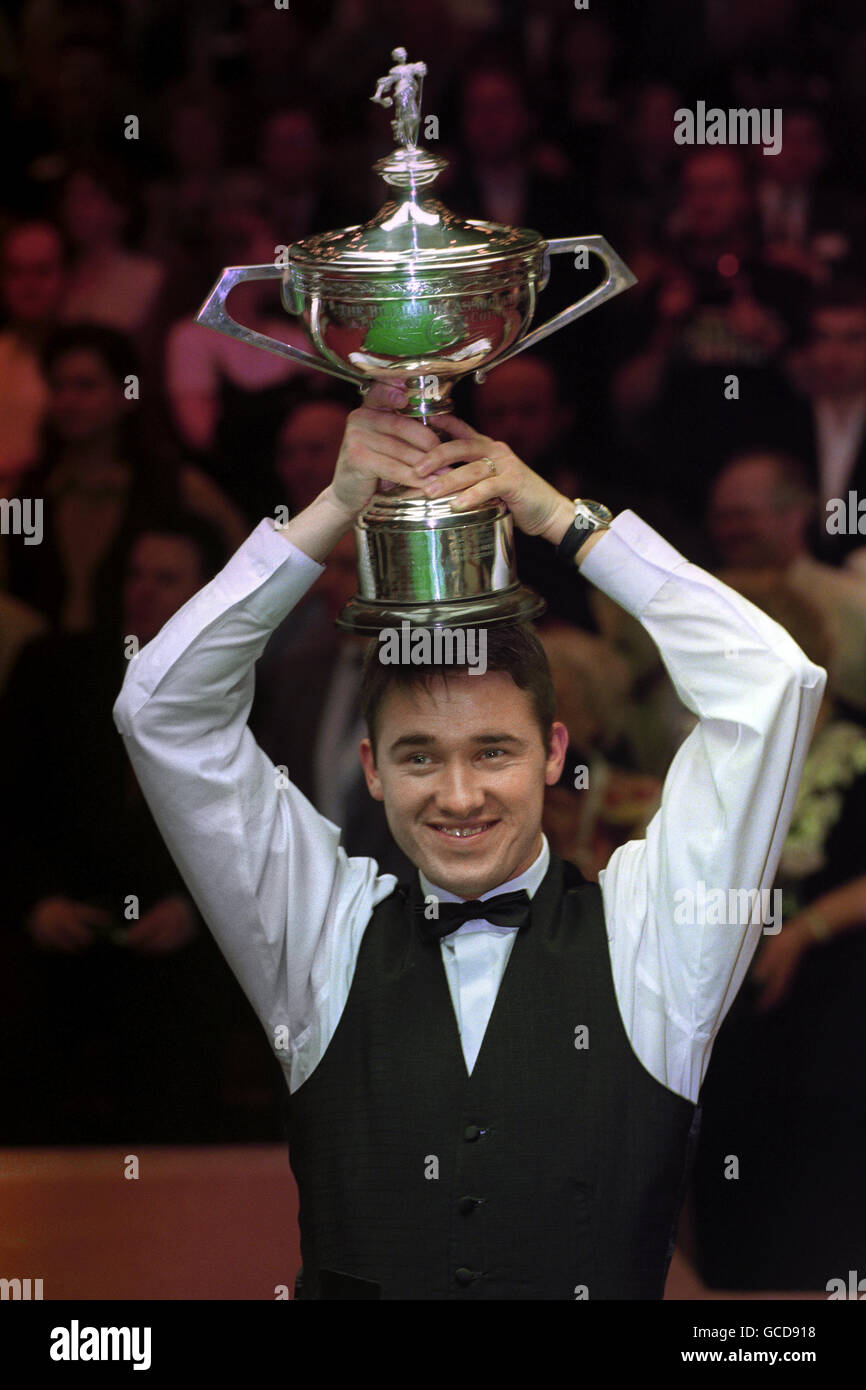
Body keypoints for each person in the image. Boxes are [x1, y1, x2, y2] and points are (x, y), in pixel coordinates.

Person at [113, 383, 824, 1299]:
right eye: (420, 757)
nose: (458, 795)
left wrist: (563, 521)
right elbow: (161, 711)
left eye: (493, 751)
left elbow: (770, 684)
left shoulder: (657, 940)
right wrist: (334, 509)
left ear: (552, 753)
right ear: (371, 768)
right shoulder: (319, 936)